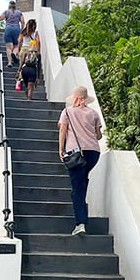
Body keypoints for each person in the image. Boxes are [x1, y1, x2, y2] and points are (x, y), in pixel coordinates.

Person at [58, 86, 102, 235]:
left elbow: (63, 130)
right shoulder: (94, 113)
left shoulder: (67, 112)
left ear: (74, 98)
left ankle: (80, 223)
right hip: (93, 153)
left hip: (75, 153)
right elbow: (98, 136)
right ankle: (82, 215)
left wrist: (61, 149)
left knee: (77, 188)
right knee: (82, 182)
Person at [0, 0, 24, 66]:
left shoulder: (6, 12)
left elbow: (0, 18)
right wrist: (21, 30)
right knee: (16, 46)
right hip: (16, 29)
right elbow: (23, 22)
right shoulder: (19, 12)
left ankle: (9, 62)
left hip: (8, 29)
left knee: (9, 47)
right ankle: (14, 54)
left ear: (9, 6)